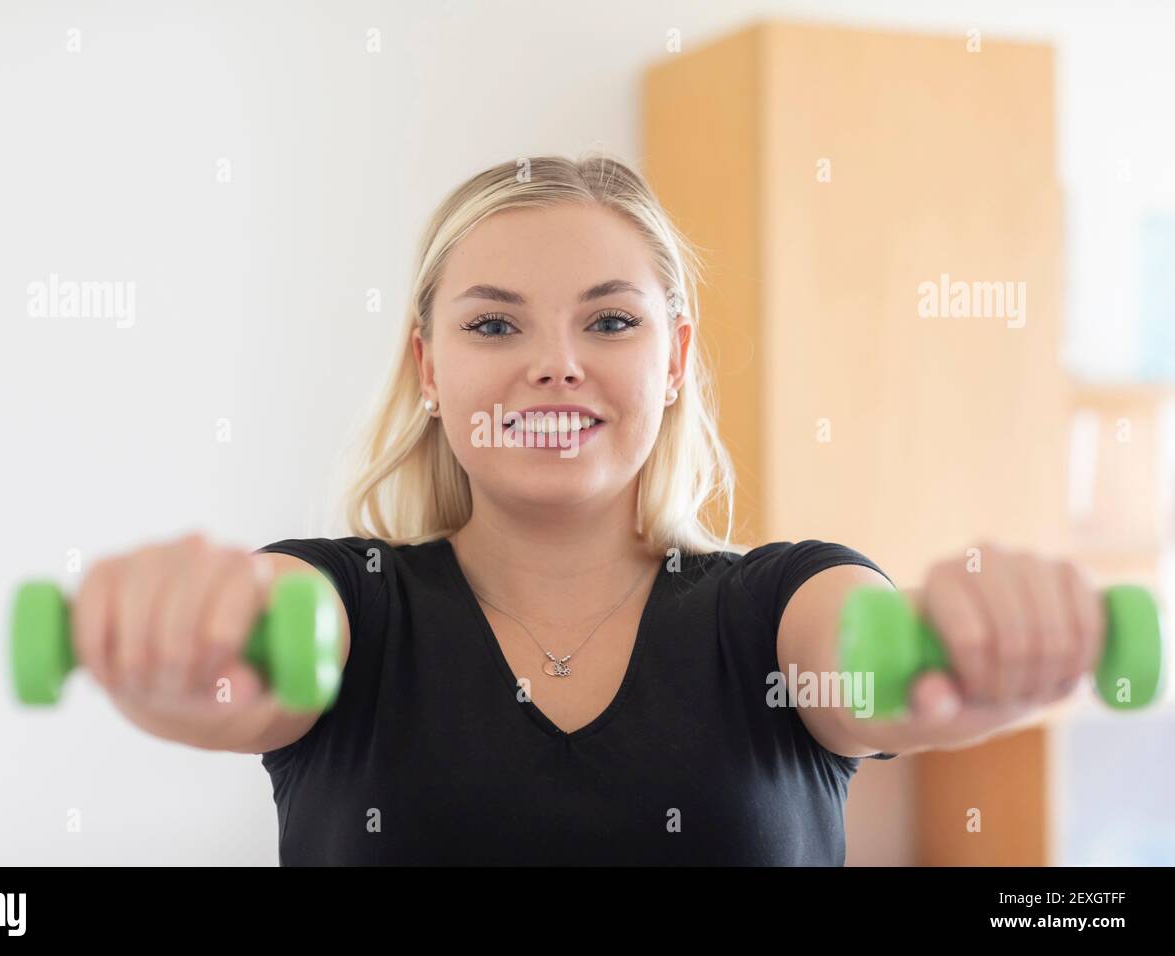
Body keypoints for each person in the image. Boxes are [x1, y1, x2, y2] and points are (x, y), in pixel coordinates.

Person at [71, 153, 1105, 865]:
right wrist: (175, 636)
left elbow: (883, 668)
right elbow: (246, 662)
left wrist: (969, 651)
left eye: (609, 319)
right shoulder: (351, 603)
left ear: (674, 361)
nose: (554, 366)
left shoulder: (775, 603)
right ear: (430, 367)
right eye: (494, 324)